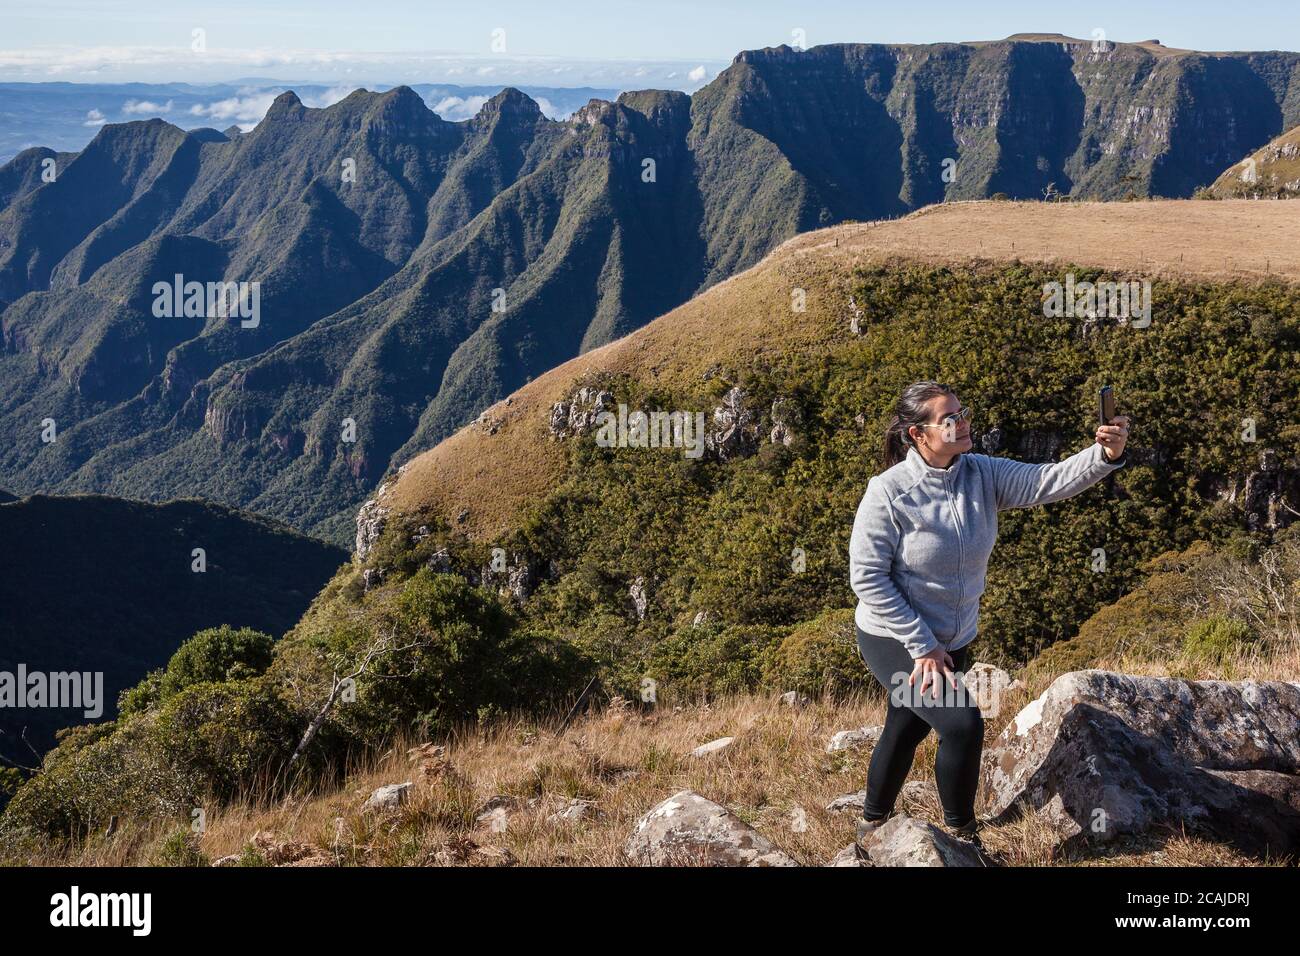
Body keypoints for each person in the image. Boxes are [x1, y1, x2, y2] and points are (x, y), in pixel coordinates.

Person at [848, 381, 1130, 851]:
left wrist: (1104, 455)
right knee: (962, 724)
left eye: (963, 413)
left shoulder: (980, 473)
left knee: (907, 723)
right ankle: (963, 836)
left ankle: (871, 825)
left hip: (952, 639)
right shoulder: (889, 493)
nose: (963, 424)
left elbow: (1047, 481)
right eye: (949, 419)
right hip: (895, 637)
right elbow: (868, 579)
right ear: (918, 434)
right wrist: (922, 645)